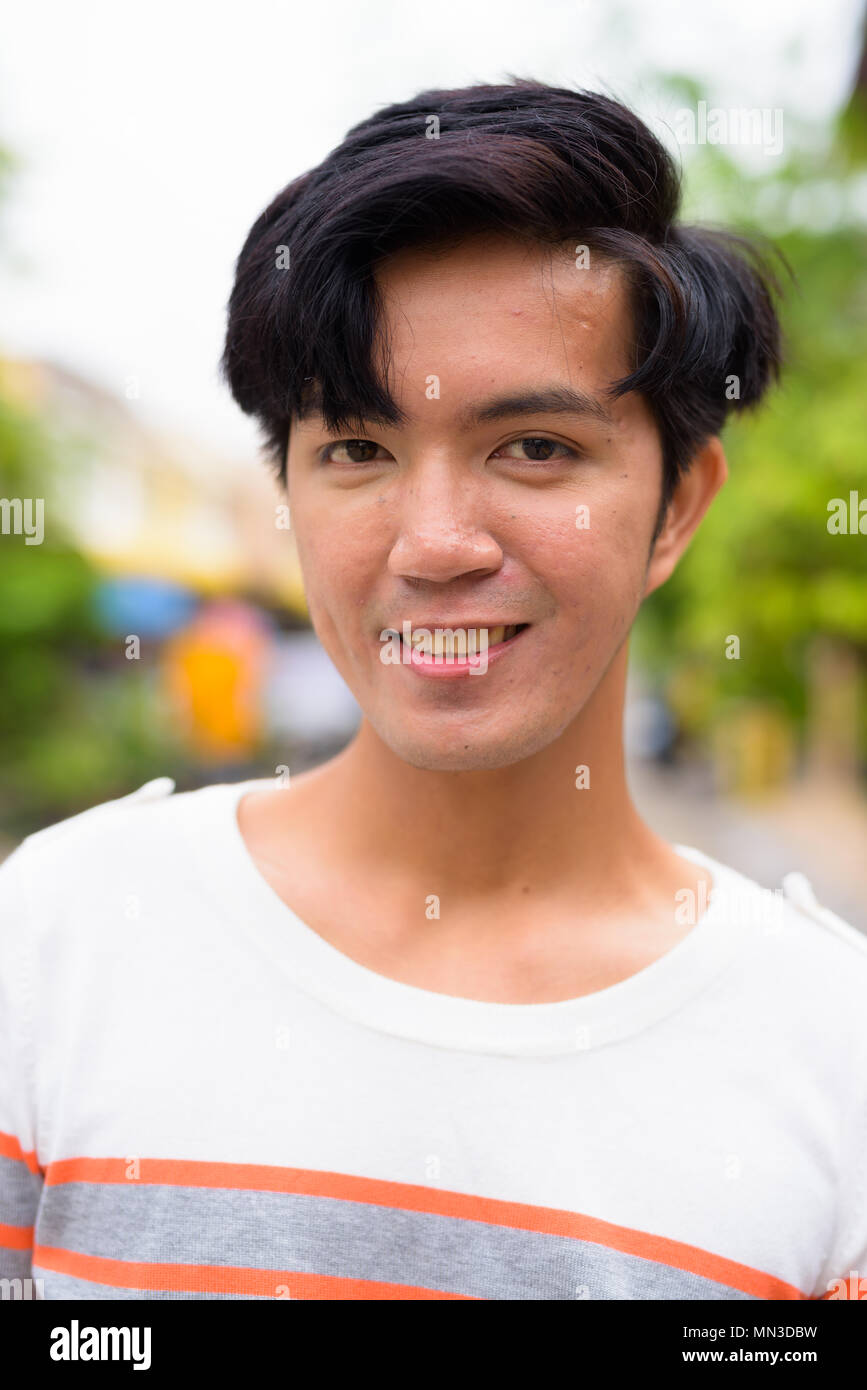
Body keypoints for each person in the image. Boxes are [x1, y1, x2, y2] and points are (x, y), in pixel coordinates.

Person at [2, 80, 865, 1303]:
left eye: (536, 448)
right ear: (287, 490)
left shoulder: (834, 1055)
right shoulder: (56, 944)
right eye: (358, 449)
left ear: (676, 504)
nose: (437, 542)